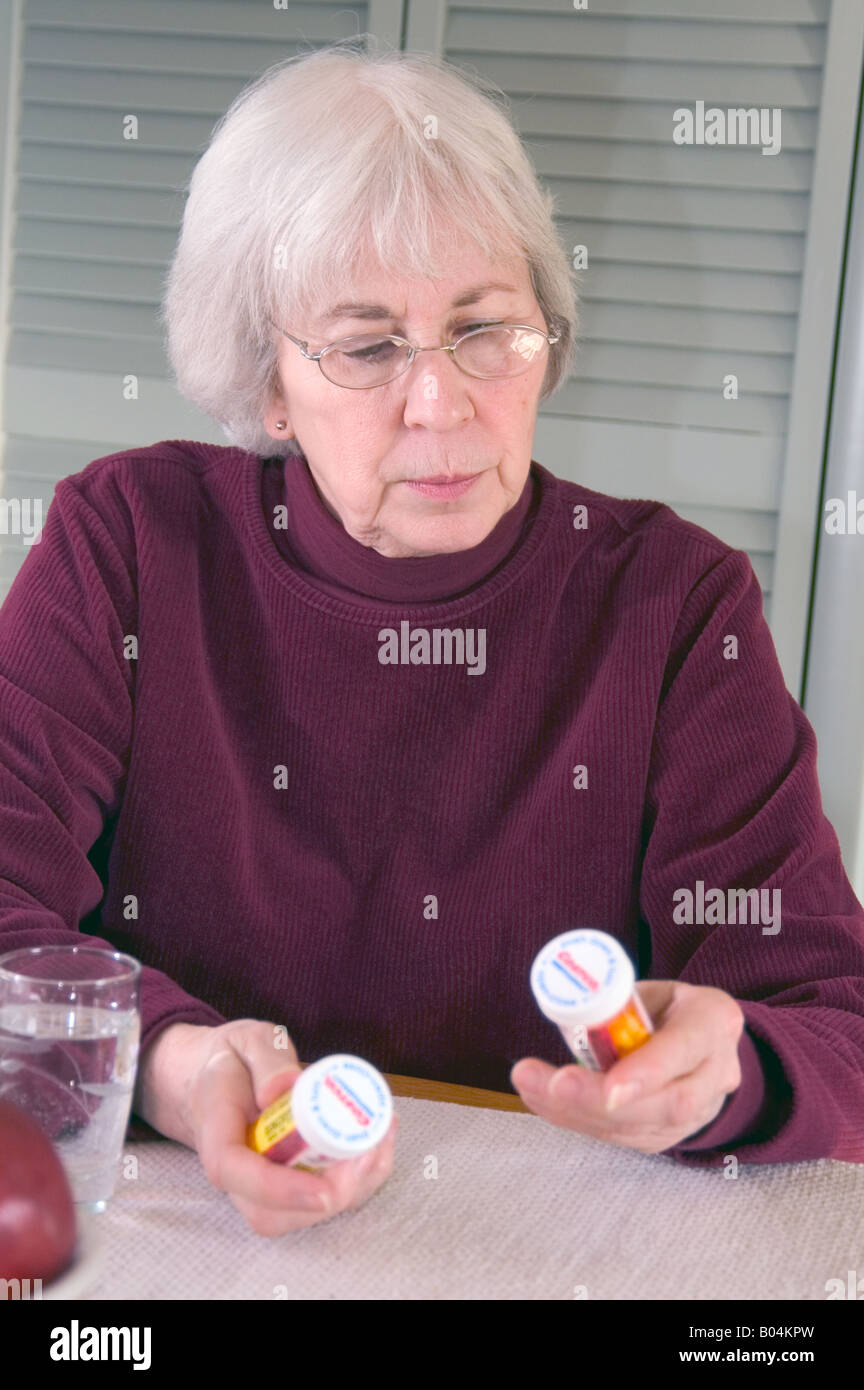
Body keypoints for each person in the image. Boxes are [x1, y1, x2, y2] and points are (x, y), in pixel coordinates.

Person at [1, 41, 863, 1241]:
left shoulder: (675, 607)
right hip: (192, 1224)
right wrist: (177, 1066)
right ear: (269, 384)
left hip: (538, 1251)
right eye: (366, 348)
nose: (441, 401)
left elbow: (830, 1012)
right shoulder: (128, 545)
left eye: (484, 329)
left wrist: (736, 1066)